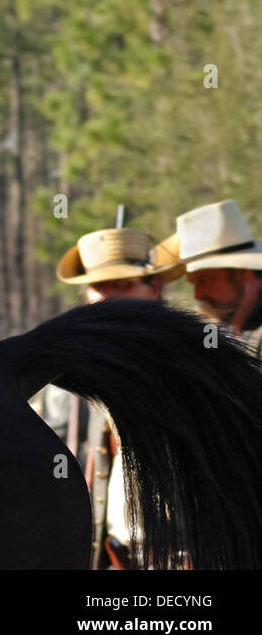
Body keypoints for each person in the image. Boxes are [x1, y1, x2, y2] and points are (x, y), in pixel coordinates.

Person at [30, 224, 183, 569]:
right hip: (114, 554)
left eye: (123, 285)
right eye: (100, 286)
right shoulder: (77, 366)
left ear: (155, 287)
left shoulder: (191, 360)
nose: (108, 298)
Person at [176, 199, 262, 359]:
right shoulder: (215, 324)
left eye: (205, 280)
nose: (198, 295)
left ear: (244, 273)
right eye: (194, 284)